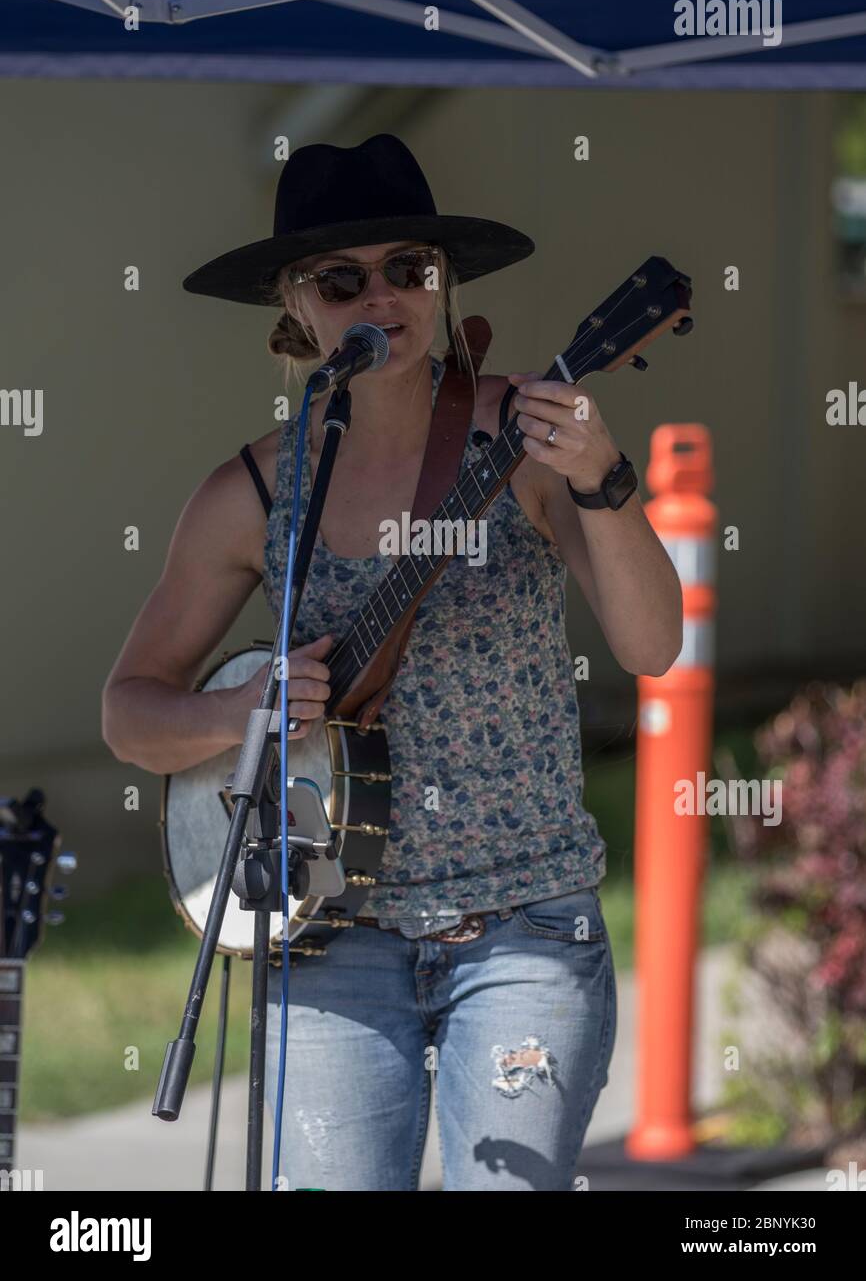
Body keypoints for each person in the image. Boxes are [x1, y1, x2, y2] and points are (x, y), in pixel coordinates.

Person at [102, 133, 682, 1191]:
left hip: (524, 930)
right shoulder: (256, 490)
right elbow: (131, 715)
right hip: (327, 941)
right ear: (296, 306)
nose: (382, 296)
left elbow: (651, 646)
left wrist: (605, 482)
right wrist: (248, 718)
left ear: (442, 280)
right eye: (341, 279)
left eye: (408, 270)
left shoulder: (523, 439)